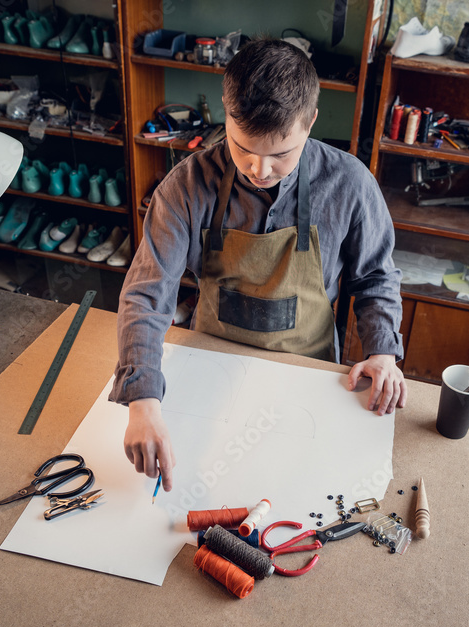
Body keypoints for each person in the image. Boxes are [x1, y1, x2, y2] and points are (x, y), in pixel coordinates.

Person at [109, 38, 406, 493]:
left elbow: (375, 278)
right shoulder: (185, 186)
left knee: (295, 487)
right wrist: (143, 398)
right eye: (242, 147)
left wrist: (381, 352)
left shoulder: (350, 183)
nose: (258, 169)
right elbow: (147, 294)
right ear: (227, 116)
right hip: (211, 369)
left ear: (310, 121)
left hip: (307, 376)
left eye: (280, 154)